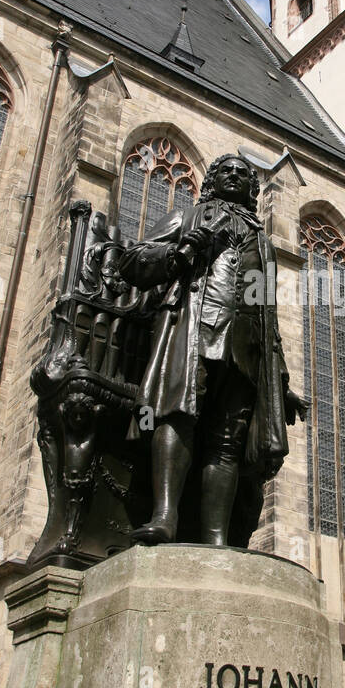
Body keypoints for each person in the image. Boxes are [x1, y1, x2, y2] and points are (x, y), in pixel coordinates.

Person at [116, 153, 306, 547]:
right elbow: (132, 261)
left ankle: (216, 537)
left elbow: (266, 313)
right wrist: (178, 252)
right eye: (226, 171)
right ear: (213, 180)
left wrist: (281, 380)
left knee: (228, 439)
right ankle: (164, 516)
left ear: (252, 189)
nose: (235, 176)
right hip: (192, 332)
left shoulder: (262, 243)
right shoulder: (186, 218)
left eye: (242, 174)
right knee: (177, 415)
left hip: (244, 350)